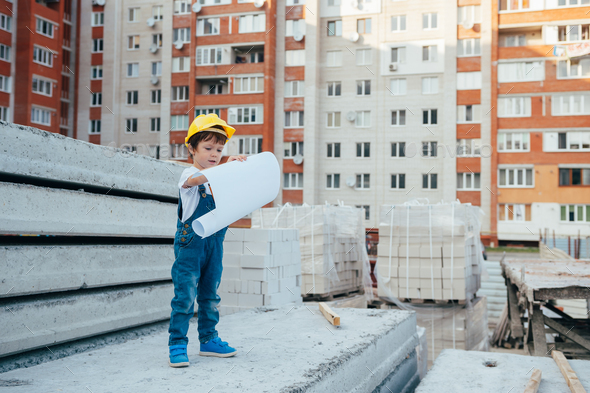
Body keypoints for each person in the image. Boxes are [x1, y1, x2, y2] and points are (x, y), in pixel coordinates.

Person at [168, 113, 246, 367]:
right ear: (191, 148)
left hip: (214, 247)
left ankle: (208, 340)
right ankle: (177, 344)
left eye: (220, 149)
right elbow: (195, 181)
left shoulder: (217, 179)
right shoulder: (188, 175)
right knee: (184, 296)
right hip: (190, 248)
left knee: (210, 295)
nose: (214, 154)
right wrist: (224, 167)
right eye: (208, 148)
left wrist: (235, 169)